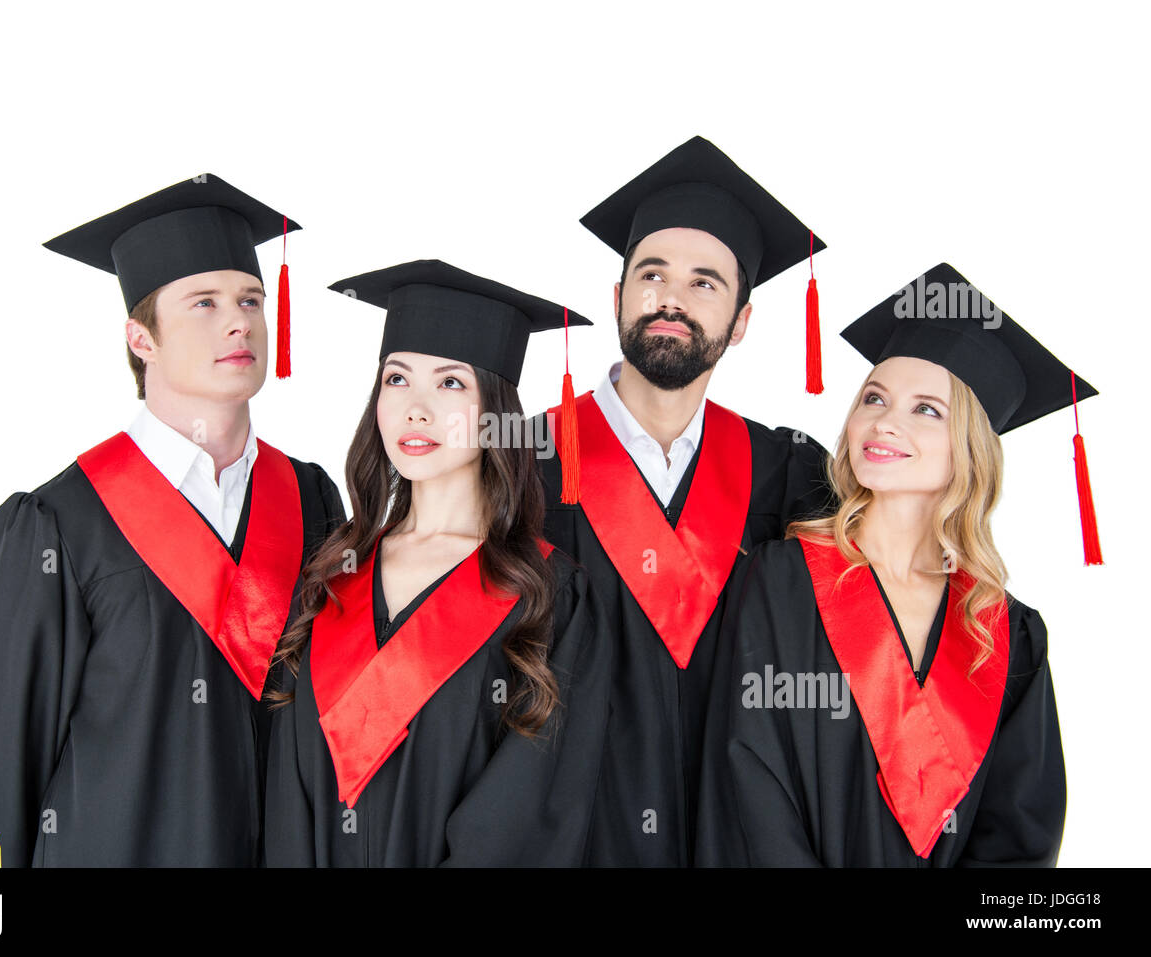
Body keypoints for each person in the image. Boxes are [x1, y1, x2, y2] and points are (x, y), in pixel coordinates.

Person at [0, 174, 345, 866]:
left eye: (250, 299)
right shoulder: (58, 525)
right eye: (204, 303)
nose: (239, 321)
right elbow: (8, 744)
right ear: (141, 337)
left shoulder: (310, 498)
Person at [695, 263, 1080, 866]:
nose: (885, 421)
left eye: (927, 409)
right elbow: (748, 782)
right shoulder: (780, 580)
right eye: (874, 398)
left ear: (970, 449)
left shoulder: (1005, 633)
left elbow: (1019, 836)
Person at [536, 135, 837, 865]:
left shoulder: (790, 472)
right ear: (616, 299)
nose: (671, 297)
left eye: (706, 282)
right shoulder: (521, 462)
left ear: (741, 320)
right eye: (652, 274)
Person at [264, 260, 612, 866]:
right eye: (396, 379)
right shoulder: (331, 574)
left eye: (450, 384)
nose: (415, 409)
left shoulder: (549, 596)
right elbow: (288, 793)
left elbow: (527, 814)